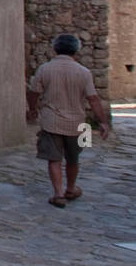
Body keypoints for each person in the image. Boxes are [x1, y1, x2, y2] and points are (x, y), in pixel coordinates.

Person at [26, 34, 109, 208]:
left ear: (55, 49)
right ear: (76, 51)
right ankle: (70, 188)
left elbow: (34, 92)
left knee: (54, 159)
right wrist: (102, 121)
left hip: (51, 121)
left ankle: (58, 193)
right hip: (78, 123)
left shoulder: (45, 69)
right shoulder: (84, 72)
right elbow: (93, 99)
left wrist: (32, 109)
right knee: (73, 158)